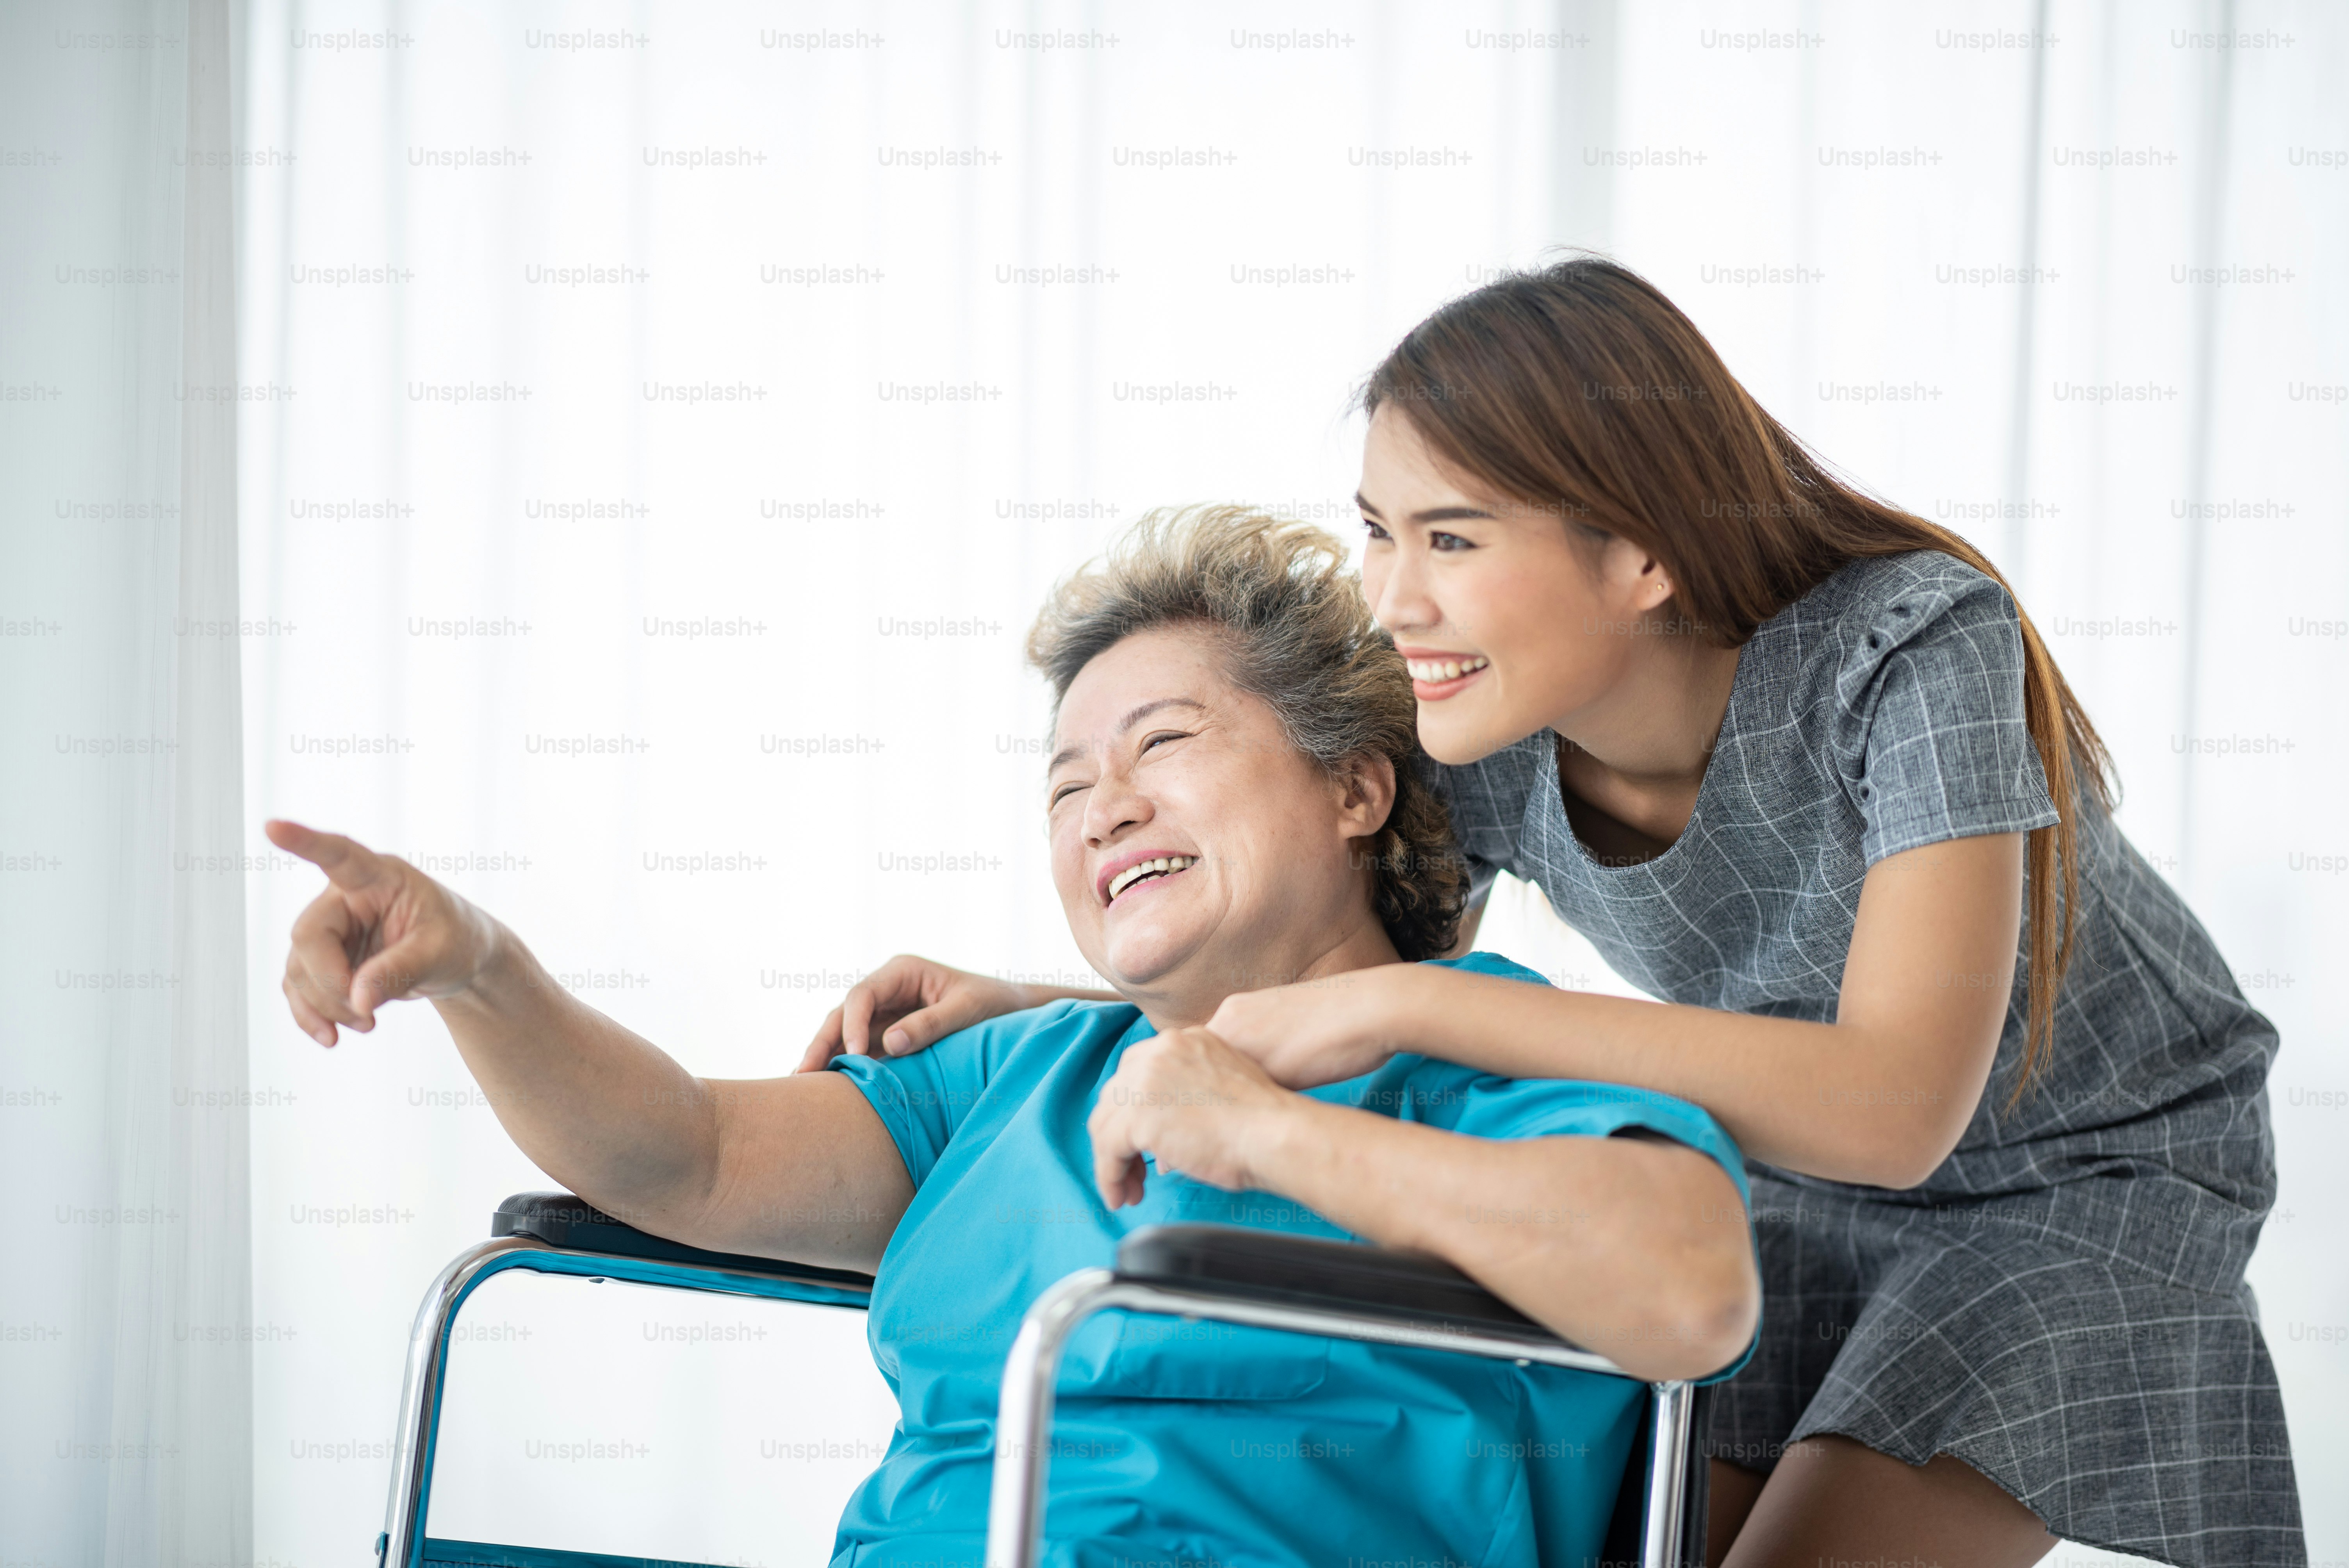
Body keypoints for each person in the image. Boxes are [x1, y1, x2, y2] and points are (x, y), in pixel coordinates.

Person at [797, 260, 2299, 1568]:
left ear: (1642, 553)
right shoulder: (1489, 731)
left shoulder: (1915, 649)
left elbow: (1896, 1108)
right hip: (1799, 1179)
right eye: (1378, 531)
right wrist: (1047, 1011)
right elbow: (1326, 962)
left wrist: (1418, 1000)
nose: (1392, 601)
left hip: (2086, 1176)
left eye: (1451, 540)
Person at [270, 506, 1761, 1568]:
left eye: (1164, 743)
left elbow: (1691, 1280)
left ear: (1356, 790)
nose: (1105, 808)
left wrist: (1270, 1134)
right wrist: (481, 968)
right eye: (1065, 787)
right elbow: (687, 1155)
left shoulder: (1492, 1051)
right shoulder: (1015, 1072)